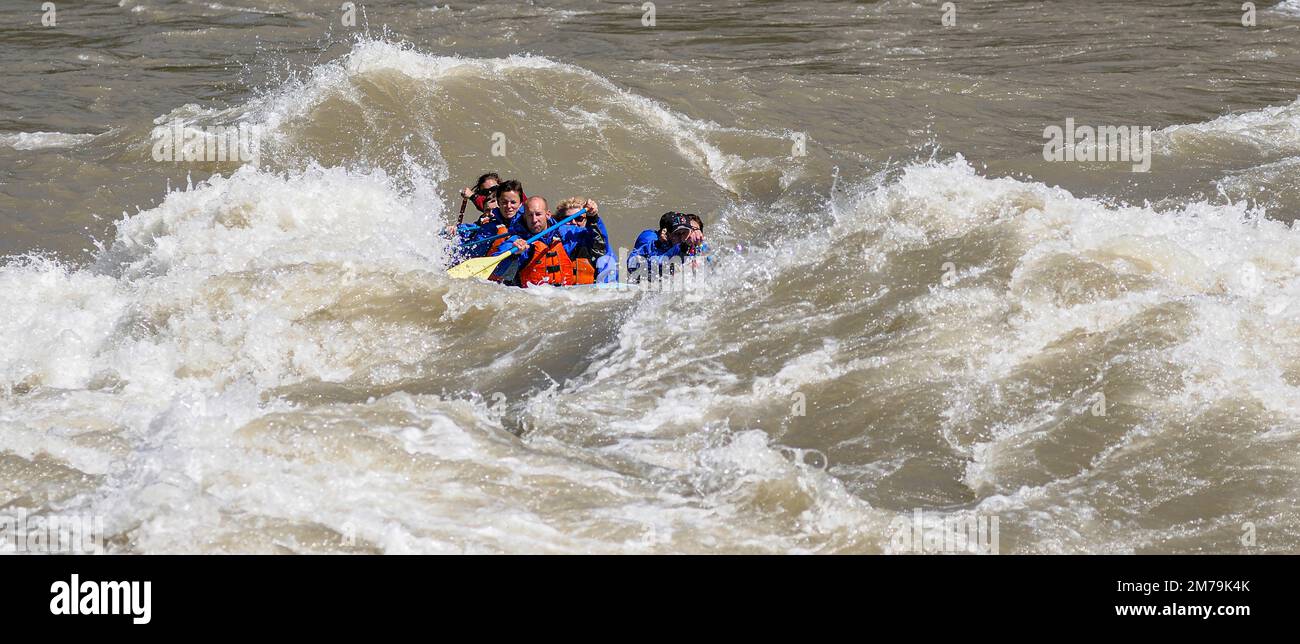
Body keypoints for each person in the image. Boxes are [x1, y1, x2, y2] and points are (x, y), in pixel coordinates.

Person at [491, 196, 606, 287]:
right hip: (531, 299)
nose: (534, 220)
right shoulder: (516, 241)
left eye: (538, 214)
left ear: (548, 214)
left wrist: (593, 218)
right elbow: (496, 270)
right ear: (525, 217)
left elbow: (598, 244)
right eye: (530, 215)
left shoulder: (563, 233)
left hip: (564, 299)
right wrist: (513, 256)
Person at [627, 211, 707, 281]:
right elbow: (632, 265)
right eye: (677, 234)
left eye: (685, 233)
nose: (682, 238)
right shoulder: (649, 237)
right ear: (666, 234)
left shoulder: (694, 245)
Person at [555, 197, 617, 283]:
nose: (573, 222)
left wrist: (593, 217)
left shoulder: (597, 242)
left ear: (586, 221)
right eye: (568, 219)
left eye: (579, 219)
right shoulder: (554, 240)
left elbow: (597, 235)